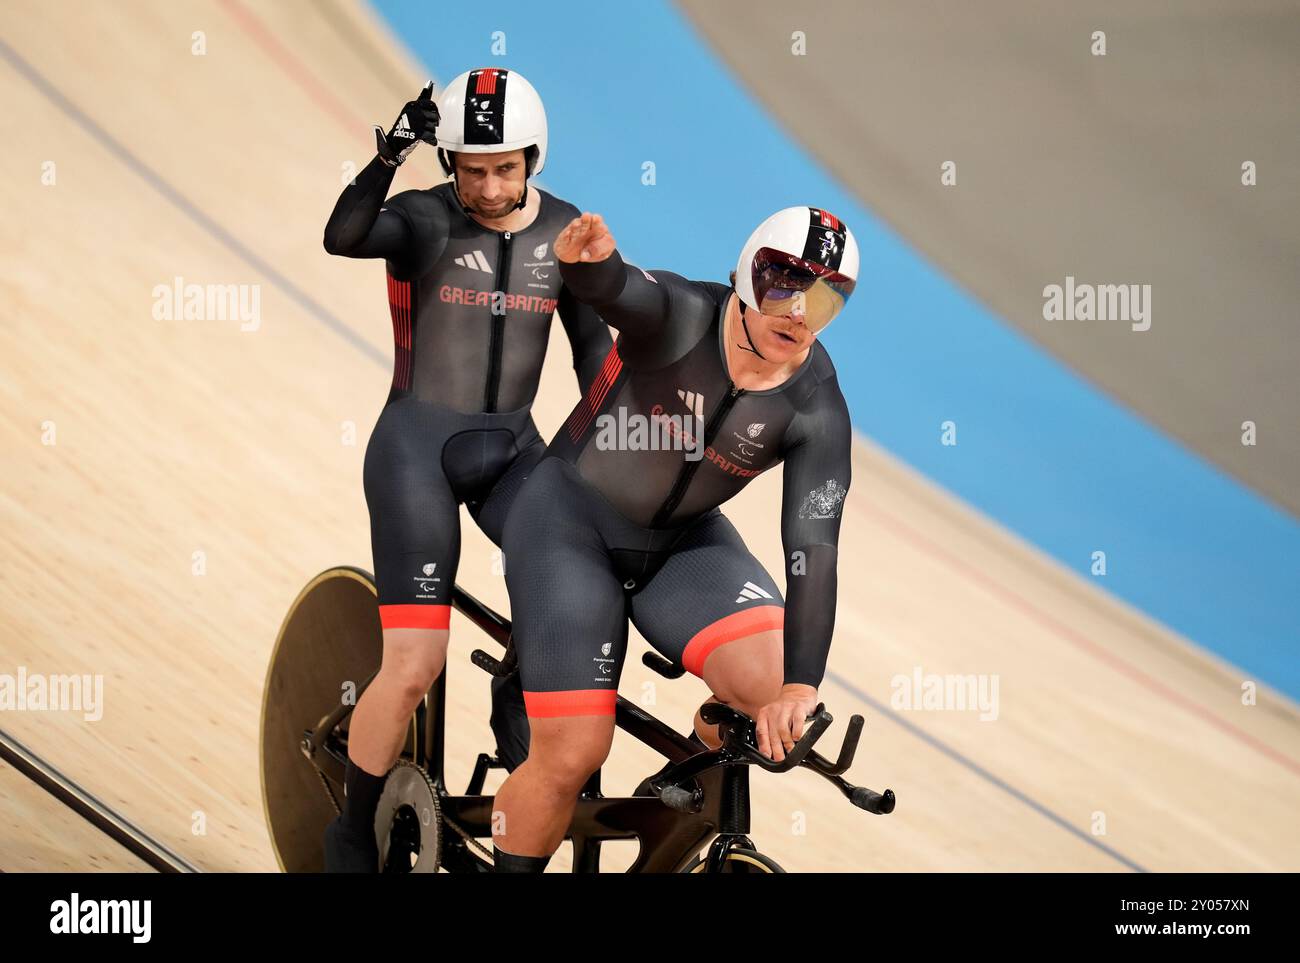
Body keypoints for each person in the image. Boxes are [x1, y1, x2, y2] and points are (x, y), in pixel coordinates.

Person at [490, 206, 859, 871]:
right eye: (783, 283)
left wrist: (802, 684)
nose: (799, 311)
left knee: (771, 687)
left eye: (824, 298)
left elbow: (814, 549)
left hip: (680, 546)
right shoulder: (682, 313)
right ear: (745, 276)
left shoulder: (815, 404)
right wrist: (591, 264)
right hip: (568, 521)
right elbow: (618, 289)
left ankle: (681, 782)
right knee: (571, 753)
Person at [318, 68, 612, 872]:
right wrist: (390, 157)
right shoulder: (419, 219)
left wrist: (617, 464)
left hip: (514, 451)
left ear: (534, 159)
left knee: (572, 595)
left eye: (504, 167)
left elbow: (596, 364)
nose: (486, 185)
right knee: (413, 666)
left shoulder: (568, 235)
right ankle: (350, 830)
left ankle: (519, 709)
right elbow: (342, 234)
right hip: (415, 450)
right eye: (470, 167)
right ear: (449, 162)